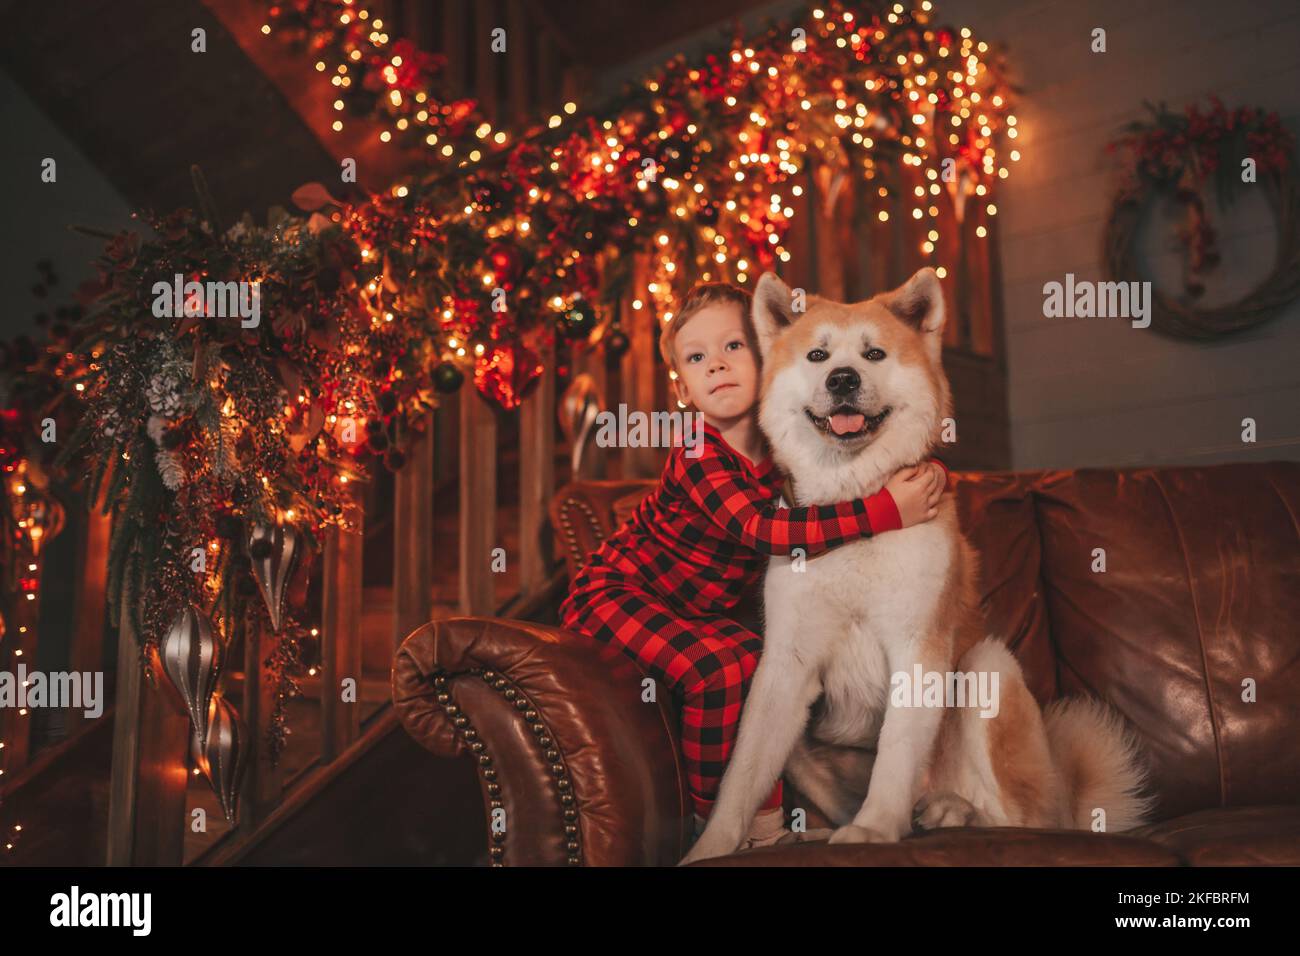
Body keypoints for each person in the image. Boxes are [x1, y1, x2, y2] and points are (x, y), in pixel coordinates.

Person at [558, 282, 948, 852]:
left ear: (767, 354)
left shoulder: (784, 454)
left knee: (750, 662)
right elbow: (767, 532)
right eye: (697, 358)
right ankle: (705, 824)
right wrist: (885, 511)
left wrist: (932, 478)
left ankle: (758, 828)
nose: (715, 365)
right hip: (616, 593)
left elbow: (871, 471)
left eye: (732, 347)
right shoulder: (696, 451)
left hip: (696, 609)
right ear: (683, 387)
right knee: (721, 669)